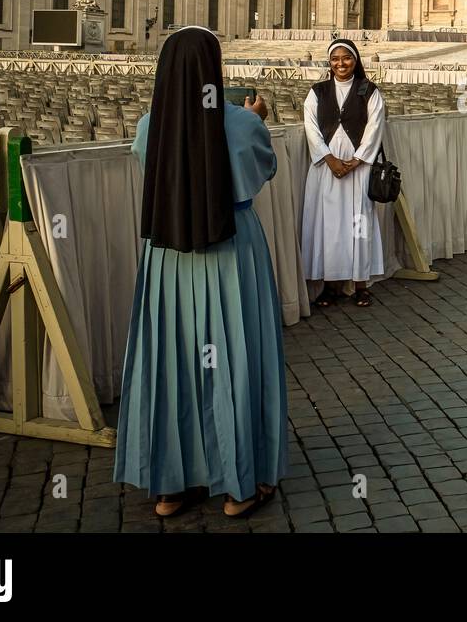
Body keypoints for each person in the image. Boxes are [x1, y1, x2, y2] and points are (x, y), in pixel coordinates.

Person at [115, 27, 287, 519]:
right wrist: (256, 121)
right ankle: (239, 486)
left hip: (168, 255)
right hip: (229, 250)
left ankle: (171, 485)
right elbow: (262, 171)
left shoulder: (150, 123)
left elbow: (151, 165)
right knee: (235, 358)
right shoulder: (240, 122)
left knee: (172, 361)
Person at [302, 38, 386, 307]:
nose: (341, 63)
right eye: (335, 59)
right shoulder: (317, 91)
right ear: (330, 62)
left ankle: (361, 283)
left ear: (355, 60)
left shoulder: (369, 90)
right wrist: (329, 158)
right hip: (326, 167)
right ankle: (331, 284)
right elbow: (311, 127)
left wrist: (356, 160)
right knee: (329, 225)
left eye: (346, 58)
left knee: (358, 224)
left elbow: (375, 126)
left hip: (357, 167)